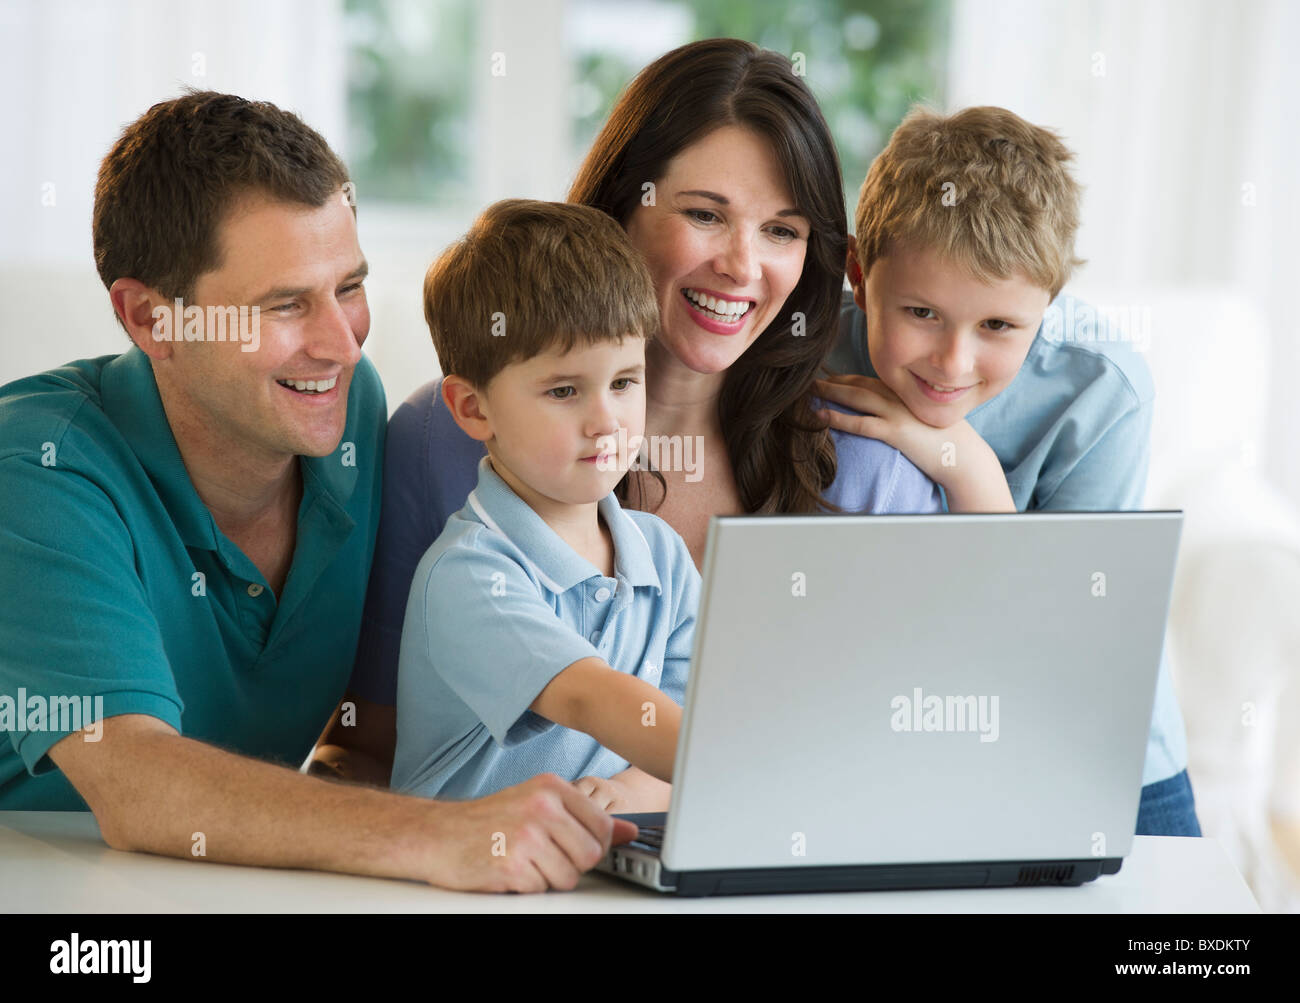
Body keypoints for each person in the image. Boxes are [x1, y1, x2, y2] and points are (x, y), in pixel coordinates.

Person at [0, 91, 634, 893]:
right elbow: (135, 780)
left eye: (350, 286)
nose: (342, 343)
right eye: (286, 304)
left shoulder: (350, 414)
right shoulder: (39, 462)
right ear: (153, 318)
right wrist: (442, 834)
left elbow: (360, 733)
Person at [316, 38, 943, 789]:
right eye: (706, 214)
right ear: (623, 207)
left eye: (783, 229)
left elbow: (905, 747)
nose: (743, 266)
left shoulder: (863, 470)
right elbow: (363, 746)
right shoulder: (440, 455)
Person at [815, 105, 1201, 836]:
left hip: (1104, 755)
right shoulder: (812, 355)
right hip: (903, 745)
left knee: (1184, 946)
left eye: (997, 326)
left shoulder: (1102, 389)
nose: (952, 362)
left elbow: (1060, 637)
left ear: (1047, 309)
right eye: (922, 312)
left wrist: (961, 461)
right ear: (859, 274)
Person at [391, 200, 698, 808]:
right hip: (458, 886)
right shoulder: (470, 572)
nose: (605, 421)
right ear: (474, 409)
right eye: (564, 390)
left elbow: (685, 722)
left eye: (624, 381)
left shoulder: (660, 553)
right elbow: (587, 695)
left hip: (591, 873)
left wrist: (621, 793)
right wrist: (751, 763)